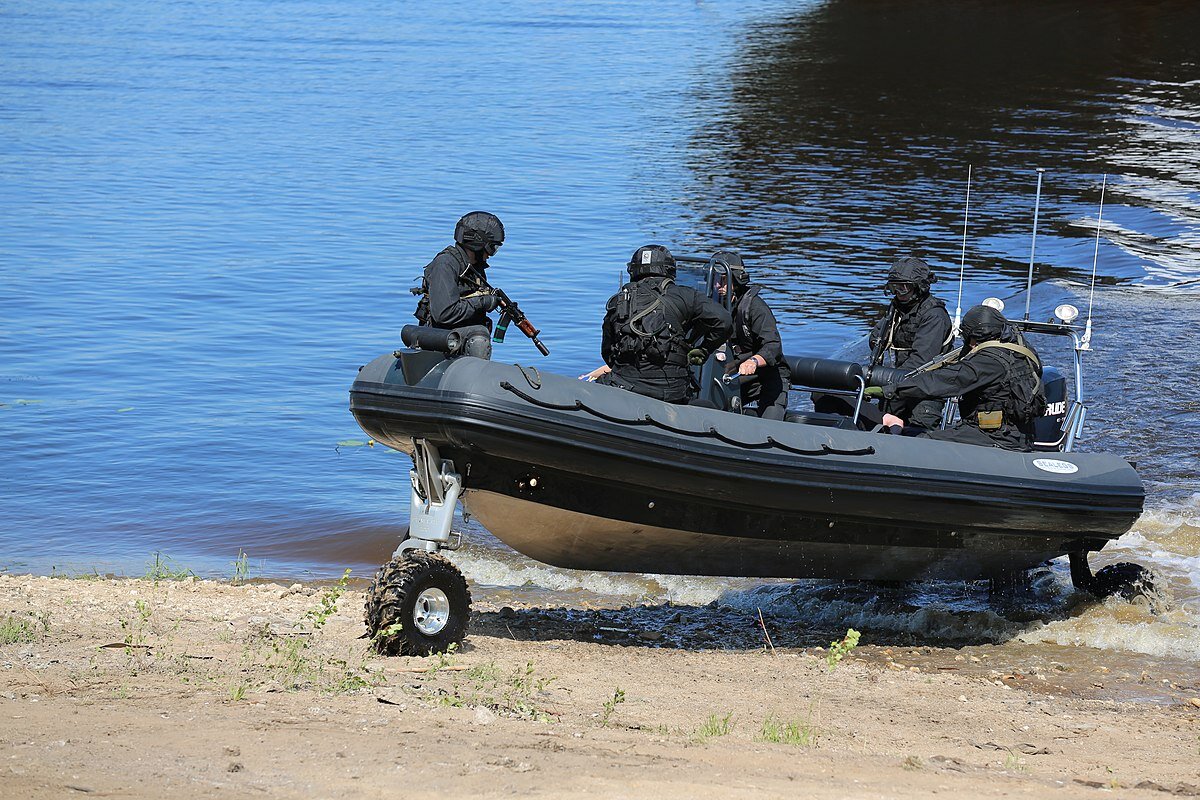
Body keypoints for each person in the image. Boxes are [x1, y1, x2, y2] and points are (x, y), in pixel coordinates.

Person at [874, 304, 1045, 451]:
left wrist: (890, 390)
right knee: (911, 432)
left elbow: (942, 381)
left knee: (921, 444)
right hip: (1016, 434)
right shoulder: (1020, 352)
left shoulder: (988, 362)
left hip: (996, 438)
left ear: (976, 336)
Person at [584, 245, 732, 404]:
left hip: (624, 386)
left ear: (633, 270)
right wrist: (704, 349)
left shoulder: (619, 302)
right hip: (673, 391)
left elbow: (607, 352)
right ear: (670, 269)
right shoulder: (687, 296)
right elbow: (724, 321)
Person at [867, 256, 954, 428]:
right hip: (898, 383)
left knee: (918, 430)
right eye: (894, 287)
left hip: (926, 389)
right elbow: (876, 339)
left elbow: (922, 360)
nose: (899, 292)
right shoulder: (897, 309)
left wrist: (889, 384)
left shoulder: (934, 315)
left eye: (904, 287)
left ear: (919, 287)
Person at [713, 252, 791, 420]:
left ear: (736, 279)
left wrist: (754, 361)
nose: (718, 285)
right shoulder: (710, 305)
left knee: (769, 425)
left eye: (724, 280)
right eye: (715, 279)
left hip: (766, 379)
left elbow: (773, 345)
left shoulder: (754, 307)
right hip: (732, 377)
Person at [414, 211, 506, 331]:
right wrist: (483, 302)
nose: (490, 254)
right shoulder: (445, 265)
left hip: (463, 334)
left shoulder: (474, 268)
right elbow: (444, 314)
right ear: (478, 244)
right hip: (440, 336)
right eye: (492, 248)